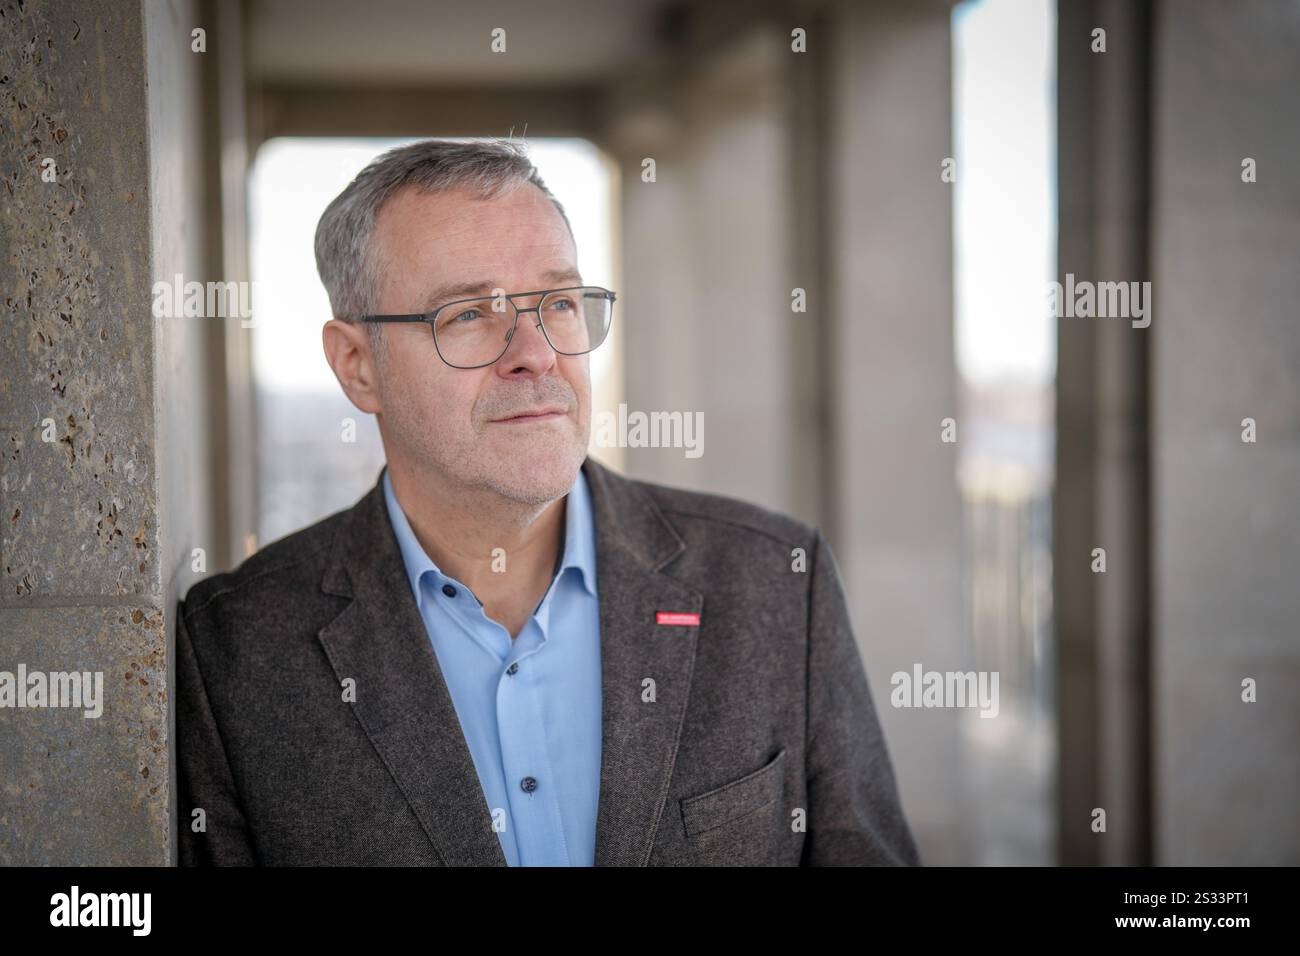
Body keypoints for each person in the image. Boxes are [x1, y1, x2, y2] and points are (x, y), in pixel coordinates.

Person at [176, 138, 920, 866]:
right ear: (357, 365)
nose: (535, 353)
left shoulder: (777, 581)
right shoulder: (235, 652)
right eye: (468, 314)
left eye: (558, 303)